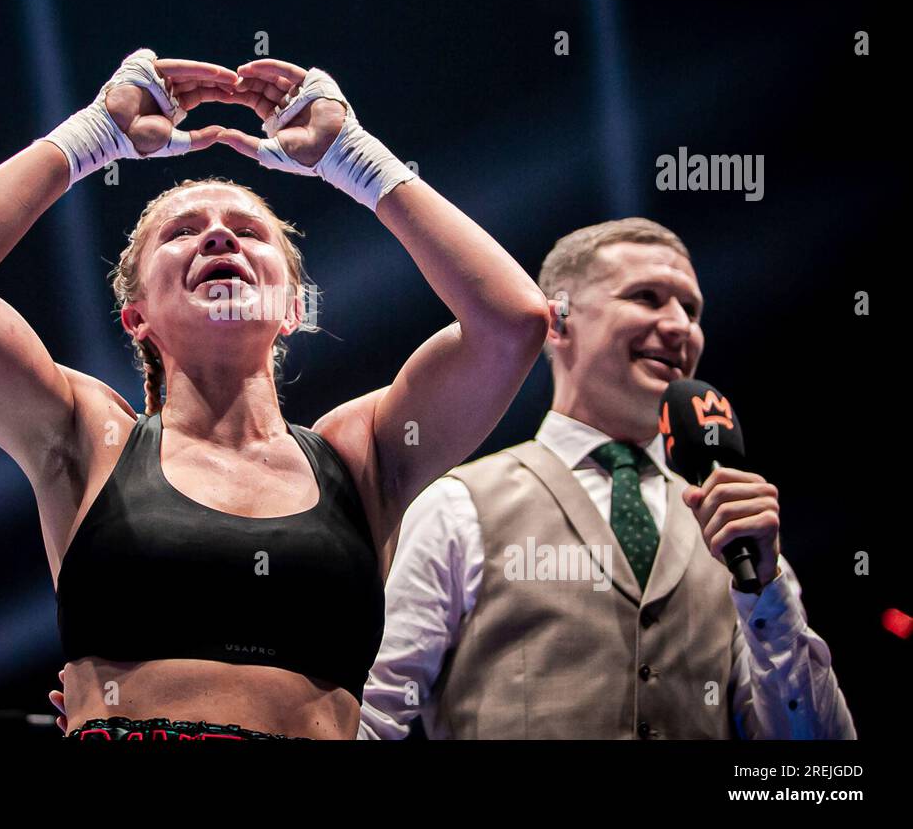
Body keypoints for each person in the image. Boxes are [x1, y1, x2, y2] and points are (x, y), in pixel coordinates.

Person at [0, 49, 550, 740]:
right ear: (136, 314)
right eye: (181, 232)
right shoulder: (88, 437)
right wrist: (97, 135)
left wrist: (354, 159)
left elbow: (512, 324)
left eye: (246, 231)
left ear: (293, 307)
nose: (215, 234)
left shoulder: (362, 454)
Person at [359, 218, 856, 739]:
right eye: (647, 297)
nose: (679, 325)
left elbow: (818, 760)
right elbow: (373, 713)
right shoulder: (458, 505)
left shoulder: (736, 535)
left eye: (692, 310)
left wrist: (765, 593)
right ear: (560, 321)